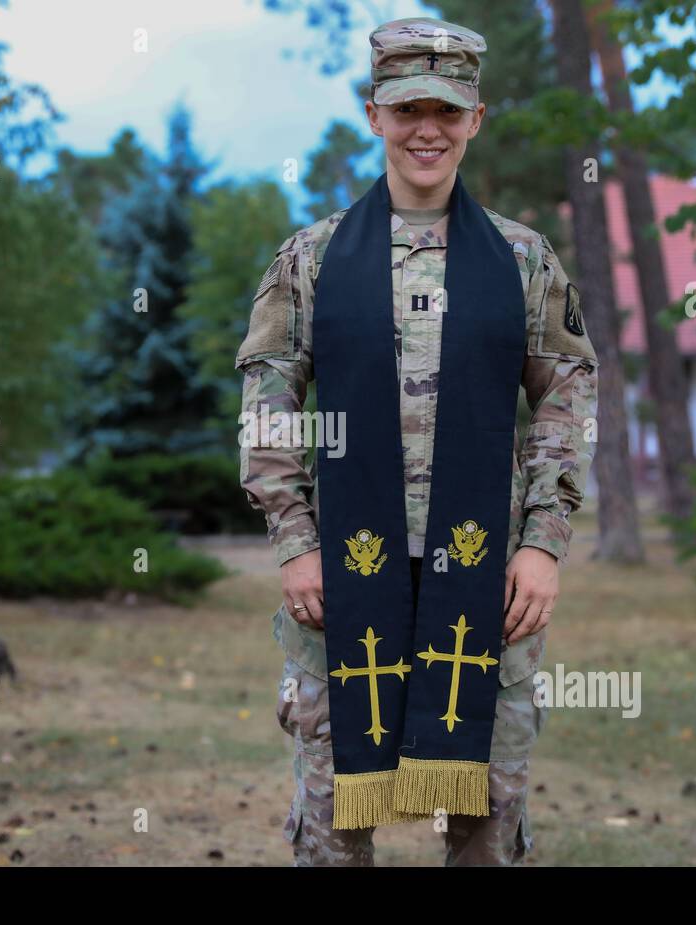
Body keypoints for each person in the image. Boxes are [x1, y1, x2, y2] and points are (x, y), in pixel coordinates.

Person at [235, 16, 598, 866]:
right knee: (334, 826)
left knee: (487, 817)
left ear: (476, 118)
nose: (426, 129)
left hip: (487, 578)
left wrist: (543, 543)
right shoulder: (312, 259)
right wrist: (293, 543)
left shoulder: (524, 261)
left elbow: (566, 399)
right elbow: (269, 401)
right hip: (339, 578)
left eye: (446, 109)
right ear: (374, 116)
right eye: (407, 110)